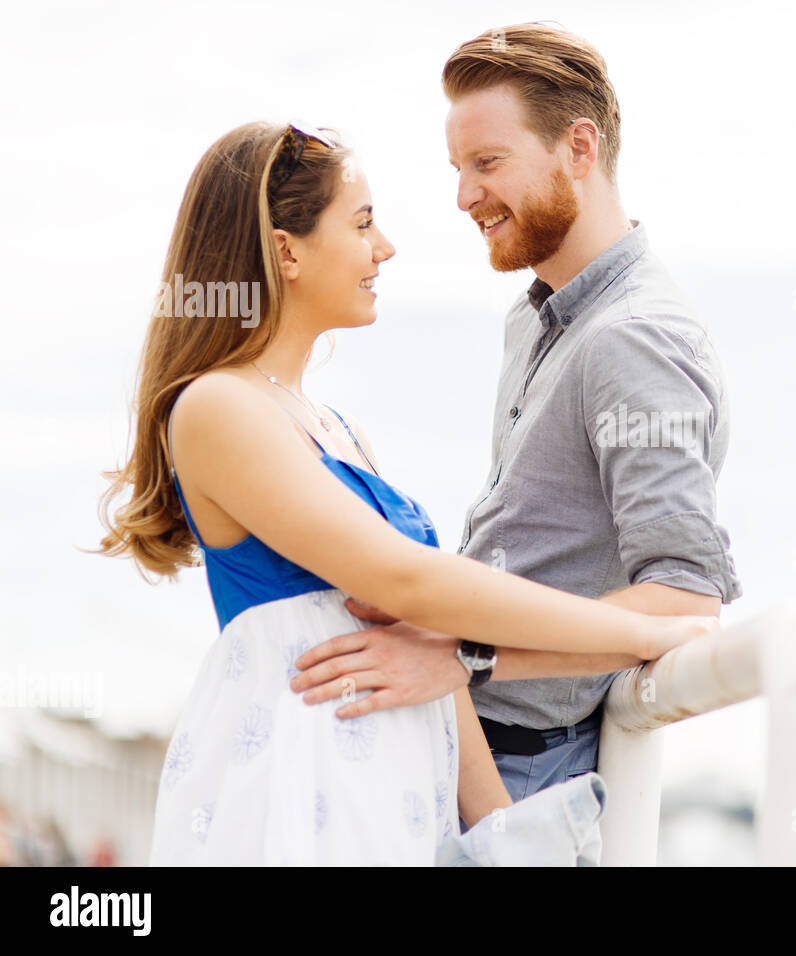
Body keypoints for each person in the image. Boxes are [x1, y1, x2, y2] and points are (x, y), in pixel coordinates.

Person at [95, 121, 714, 865]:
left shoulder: (338, 431)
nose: (384, 247)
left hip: (392, 801)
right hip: (298, 791)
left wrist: (500, 830)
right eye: (362, 224)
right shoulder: (217, 408)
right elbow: (410, 581)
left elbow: (422, 637)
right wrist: (638, 633)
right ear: (286, 250)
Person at [291, 23, 742, 806]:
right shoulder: (532, 320)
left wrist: (466, 652)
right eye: (459, 168)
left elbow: (685, 598)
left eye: (487, 163)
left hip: (526, 766)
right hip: (459, 733)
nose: (464, 195)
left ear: (578, 148)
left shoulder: (634, 338)